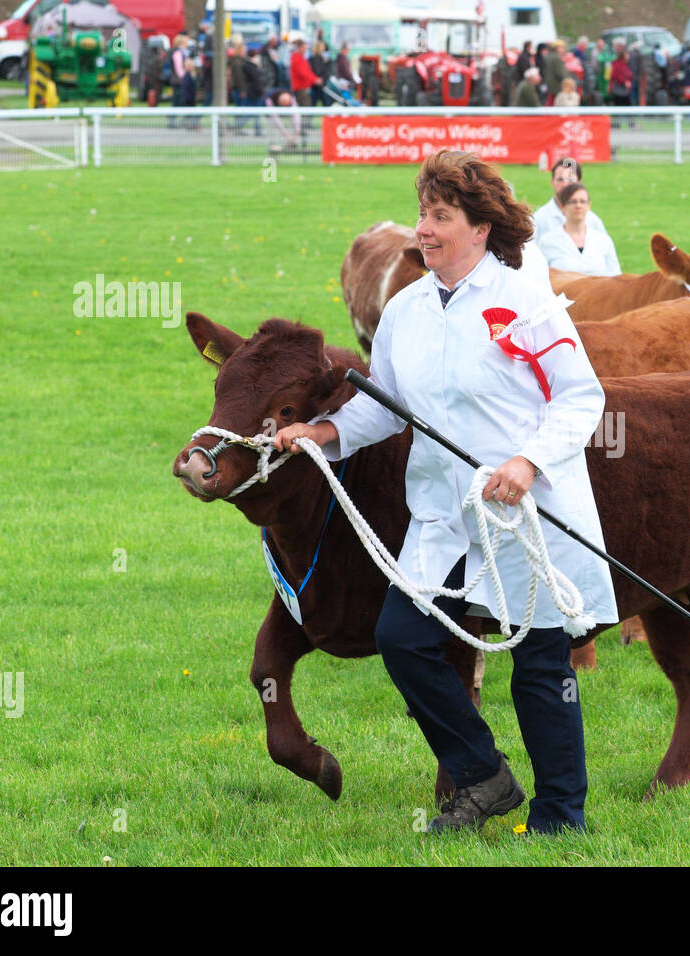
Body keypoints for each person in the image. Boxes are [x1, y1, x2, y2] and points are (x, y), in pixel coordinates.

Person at [272, 151, 617, 835]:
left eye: (439, 216)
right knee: (402, 637)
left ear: (480, 228)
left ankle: (560, 820)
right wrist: (325, 431)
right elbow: (389, 407)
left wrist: (527, 461)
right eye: (422, 214)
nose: (422, 230)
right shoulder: (405, 311)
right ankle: (484, 776)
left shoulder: (524, 300)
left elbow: (582, 398)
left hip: (527, 514)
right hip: (444, 519)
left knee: (541, 665)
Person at [538, 183, 621, 276]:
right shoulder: (548, 241)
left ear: (589, 205)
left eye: (582, 201)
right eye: (573, 201)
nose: (578, 206)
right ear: (562, 207)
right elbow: (539, 277)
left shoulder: (603, 240)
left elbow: (615, 276)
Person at [532, 156, 606, 244]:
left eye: (570, 180)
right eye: (560, 180)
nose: (565, 185)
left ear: (579, 183)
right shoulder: (538, 220)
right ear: (552, 182)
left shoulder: (593, 221)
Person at [290, 37, 318, 106]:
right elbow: (303, 73)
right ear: (300, 47)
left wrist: (314, 78)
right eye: (304, 47)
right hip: (300, 87)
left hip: (303, 87)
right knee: (305, 106)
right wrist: (314, 79)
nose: (305, 49)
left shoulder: (301, 58)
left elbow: (307, 71)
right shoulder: (297, 58)